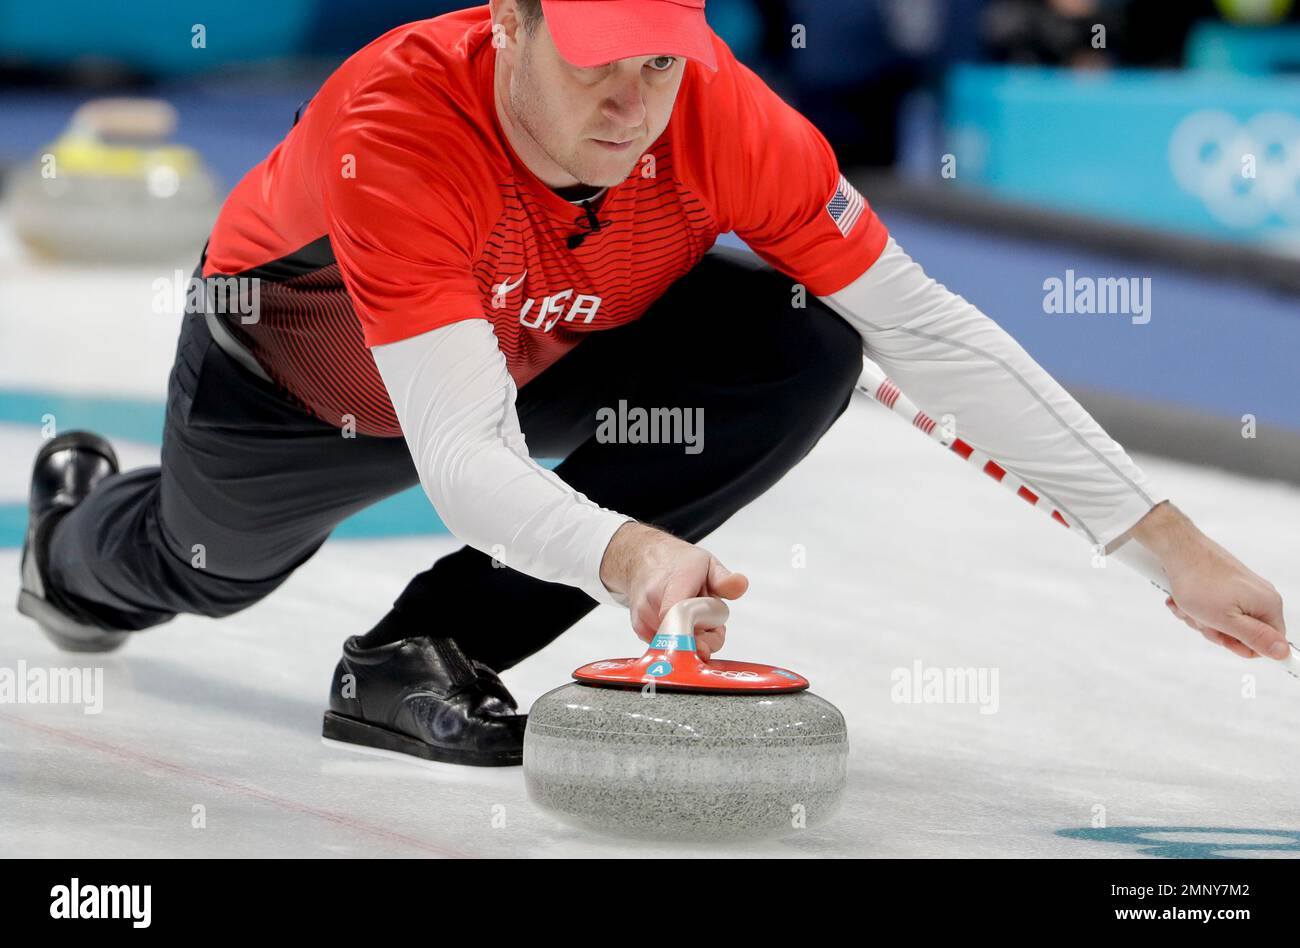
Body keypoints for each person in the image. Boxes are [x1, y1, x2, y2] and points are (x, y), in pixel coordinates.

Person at [17, 0, 1288, 768]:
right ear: (508, 24)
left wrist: (1170, 547)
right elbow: (464, 461)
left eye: (661, 65)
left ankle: (427, 649)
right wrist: (626, 556)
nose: (633, 106)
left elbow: (928, 330)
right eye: (596, 66)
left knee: (804, 340)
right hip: (307, 388)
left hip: (560, 354)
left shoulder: (720, 114)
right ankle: (67, 551)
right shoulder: (395, 123)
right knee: (202, 573)